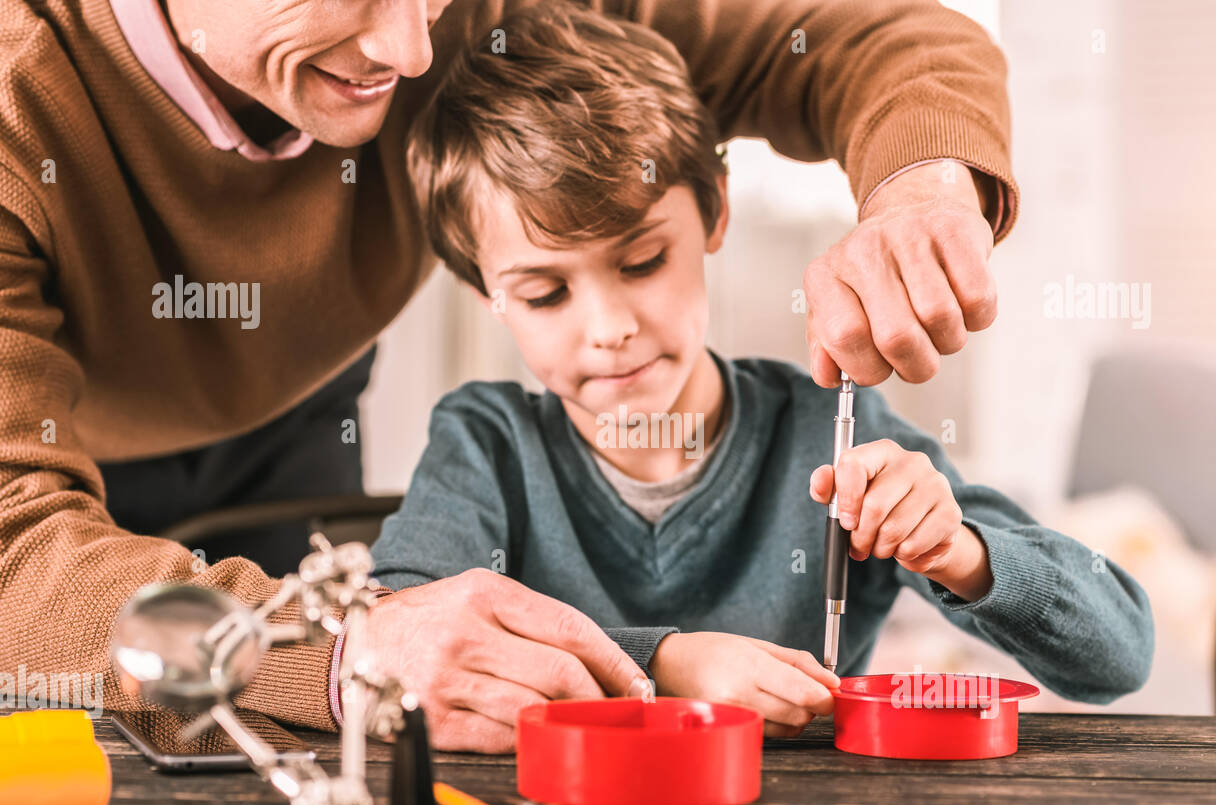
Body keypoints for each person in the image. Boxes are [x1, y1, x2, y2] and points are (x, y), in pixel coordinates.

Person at [0, 0, 1019, 751]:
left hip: (299, 397)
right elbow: (13, 556)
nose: (410, 52)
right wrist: (331, 649)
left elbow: (876, 34)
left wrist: (919, 189)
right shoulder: (16, 102)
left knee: (301, 774)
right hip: (47, 481)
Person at [369, 1, 1154, 747]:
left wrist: (962, 551)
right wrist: (666, 665)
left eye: (643, 261)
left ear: (714, 208)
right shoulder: (484, 443)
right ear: (483, 287)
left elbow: (1120, 653)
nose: (609, 330)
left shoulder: (828, 432)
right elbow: (392, 642)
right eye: (545, 292)